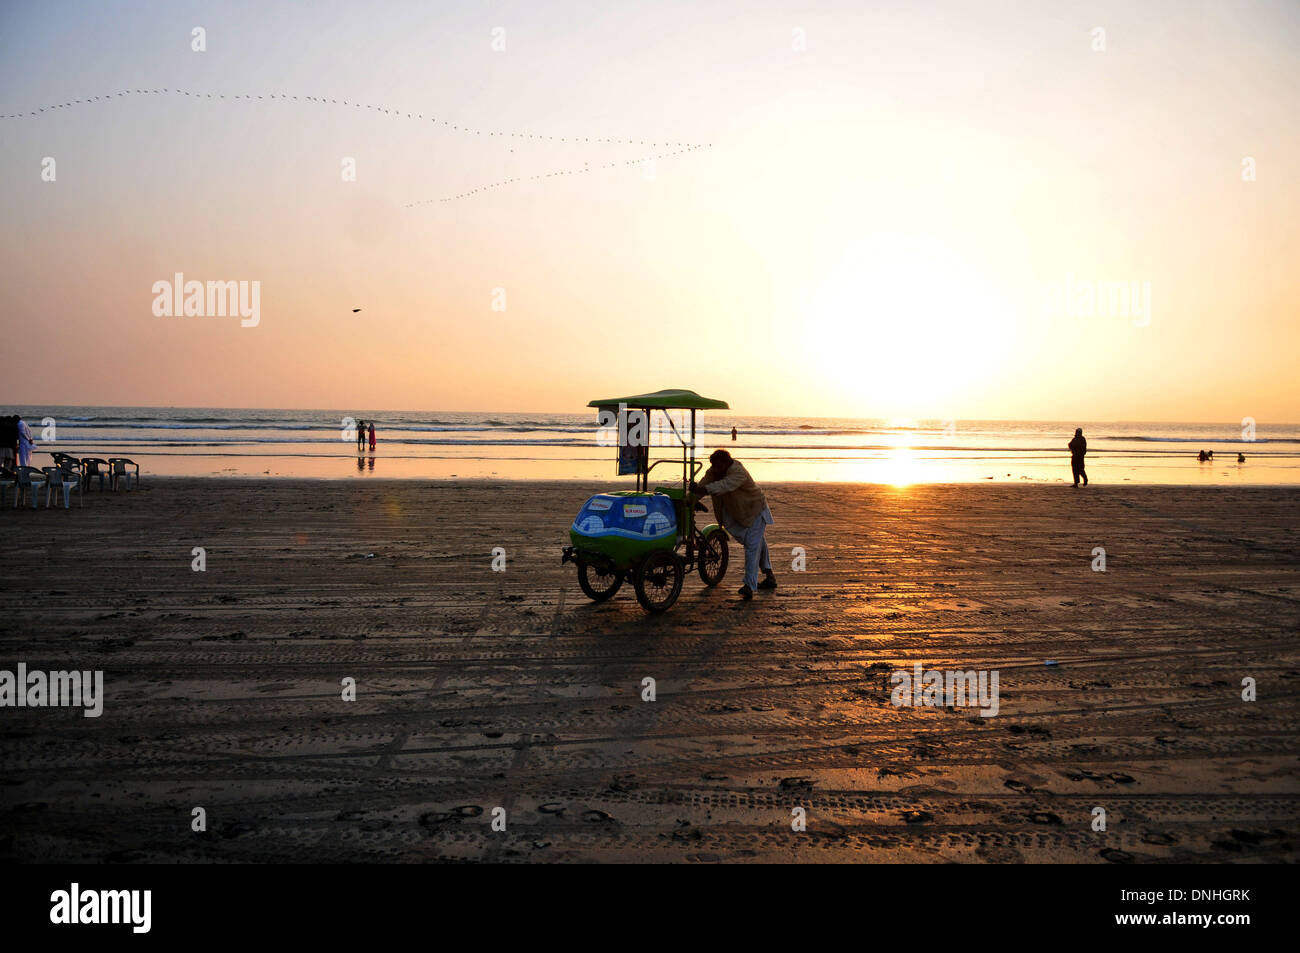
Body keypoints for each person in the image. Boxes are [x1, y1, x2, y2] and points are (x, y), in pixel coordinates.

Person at [691, 449, 775, 599]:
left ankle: (749, 586)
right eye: (713, 467)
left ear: (726, 463)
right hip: (737, 512)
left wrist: (703, 489)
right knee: (757, 543)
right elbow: (702, 486)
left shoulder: (738, 472)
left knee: (752, 547)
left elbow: (724, 486)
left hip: (754, 509)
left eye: (718, 466)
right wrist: (689, 500)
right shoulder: (714, 472)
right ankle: (770, 576)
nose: (715, 470)